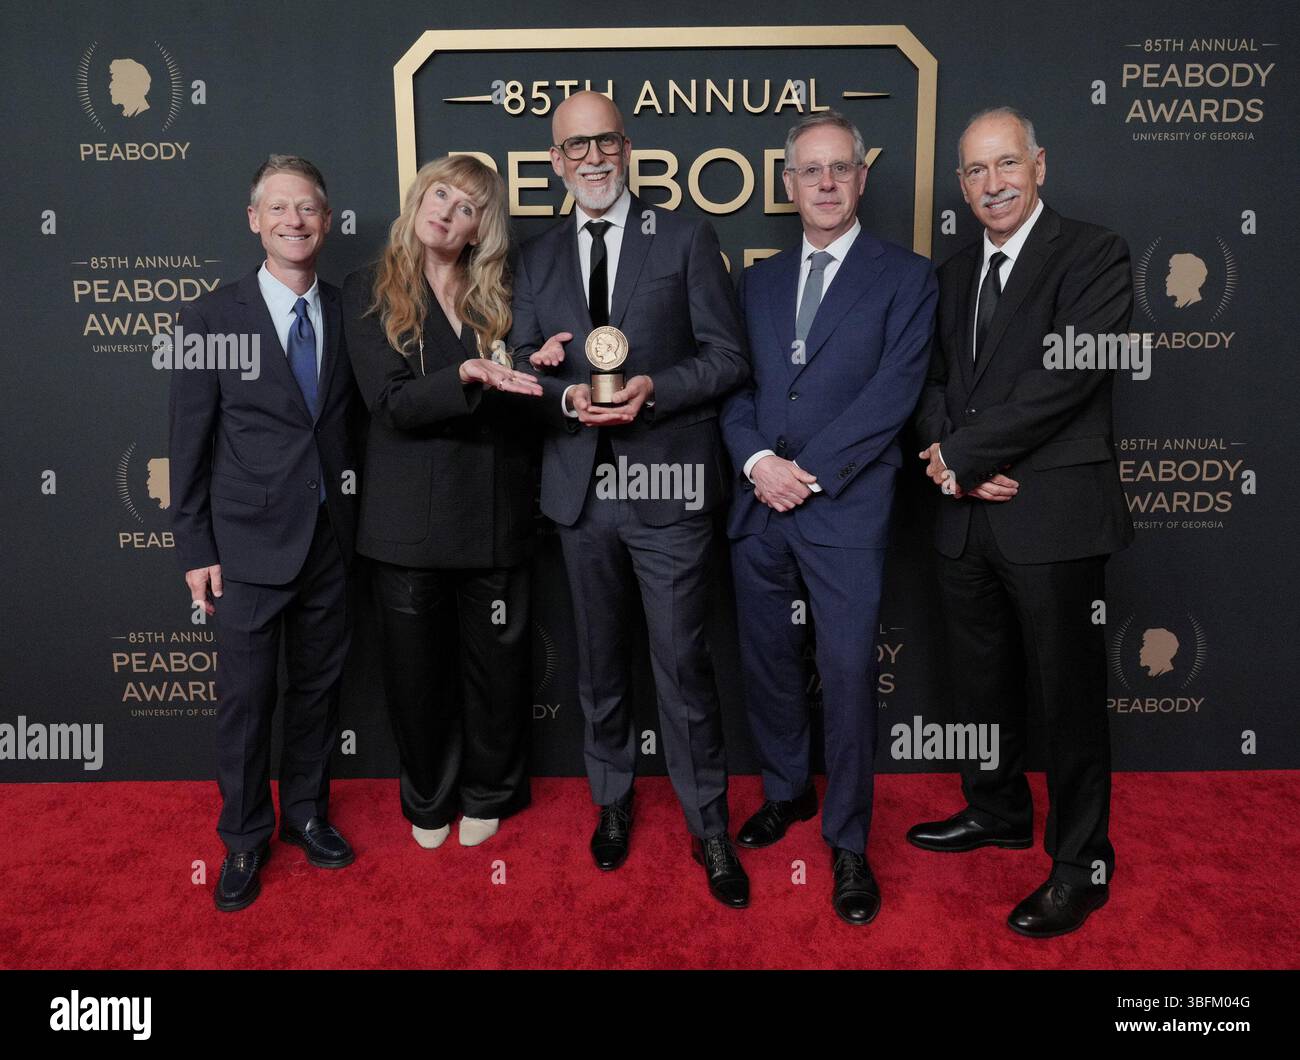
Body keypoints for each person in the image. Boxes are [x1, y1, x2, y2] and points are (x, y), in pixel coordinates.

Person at [509, 90, 752, 908]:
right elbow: (518, 367)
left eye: (605, 142)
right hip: (579, 496)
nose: (592, 158)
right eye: (575, 147)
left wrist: (654, 388)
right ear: (556, 161)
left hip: (668, 489)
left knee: (683, 666)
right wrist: (565, 398)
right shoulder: (536, 258)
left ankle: (707, 822)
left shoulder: (684, 236)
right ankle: (611, 801)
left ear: (628, 146)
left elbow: (726, 359)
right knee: (599, 665)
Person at [910, 107, 1134, 938]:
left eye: (1005, 165)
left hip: (1054, 518)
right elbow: (927, 379)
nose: (992, 183)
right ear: (962, 185)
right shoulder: (950, 272)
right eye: (974, 172)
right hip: (966, 518)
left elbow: (1069, 378)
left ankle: (1081, 865)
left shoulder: (1094, 253)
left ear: (1039, 164)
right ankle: (996, 808)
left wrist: (964, 454)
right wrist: (944, 455)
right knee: (980, 687)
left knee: (1068, 700)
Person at [720, 111, 937, 925]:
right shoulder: (758, 280)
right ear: (787, 183)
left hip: (844, 506)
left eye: (839, 168)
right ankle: (786, 792)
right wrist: (756, 465)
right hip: (758, 504)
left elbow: (894, 395)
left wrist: (805, 476)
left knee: (847, 679)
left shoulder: (906, 277)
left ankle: (848, 841)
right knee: (769, 663)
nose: (824, 183)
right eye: (809, 170)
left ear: (861, 177)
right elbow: (734, 387)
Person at [169, 155, 359, 911]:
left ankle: (306, 814)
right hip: (246, 547)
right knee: (247, 702)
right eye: (278, 208)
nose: (294, 221)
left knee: (316, 691)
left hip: (333, 541)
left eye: (308, 207)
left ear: (328, 220)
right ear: (254, 221)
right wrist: (195, 547)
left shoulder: (351, 312)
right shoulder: (209, 318)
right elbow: (188, 440)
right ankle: (244, 840)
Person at [342, 156, 545, 851]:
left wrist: (537, 371)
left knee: (497, 671)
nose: (448, 213)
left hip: (496, 513)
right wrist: (463, 373)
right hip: (407, 525)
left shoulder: (506, 291)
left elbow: (527, 402)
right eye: (441, 195)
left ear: (479, 231)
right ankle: (427, 796)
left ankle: (491, 791)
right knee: (415, 675)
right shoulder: (368, 288)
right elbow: (391, 403)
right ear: (418, 197)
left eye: (467, 209)